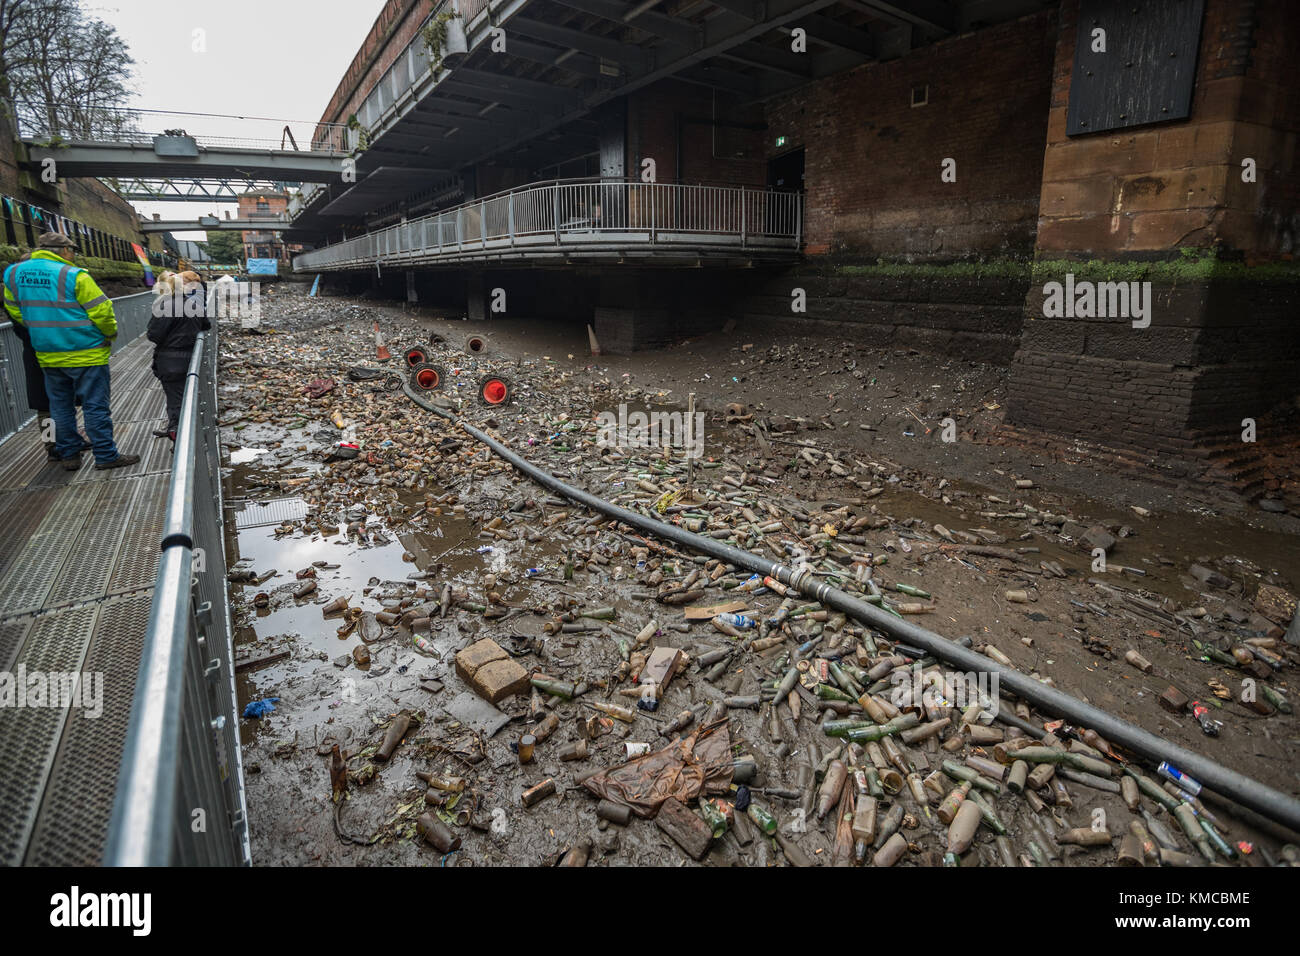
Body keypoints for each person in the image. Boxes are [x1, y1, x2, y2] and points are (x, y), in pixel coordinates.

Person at [2, 231, 139, 471]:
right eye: (72, 250)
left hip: (44, 352)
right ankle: (105, 454)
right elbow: (102, 311)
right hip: (85, 350)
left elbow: (14, 311)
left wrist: (38, 330)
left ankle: (65, 454)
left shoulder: (12, 274)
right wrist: (108, 334)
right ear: (64, 250)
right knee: (94, 405)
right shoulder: (73, 274)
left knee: (54, 407)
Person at [148, 269, 209, 440]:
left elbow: (154, 335)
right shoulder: (194, 305)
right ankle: (179, 431)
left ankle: (178, 436)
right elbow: (206, 325)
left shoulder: (165, 306)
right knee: (185, 397)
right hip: (190, 358)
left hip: (170, 361)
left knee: (175, 400)